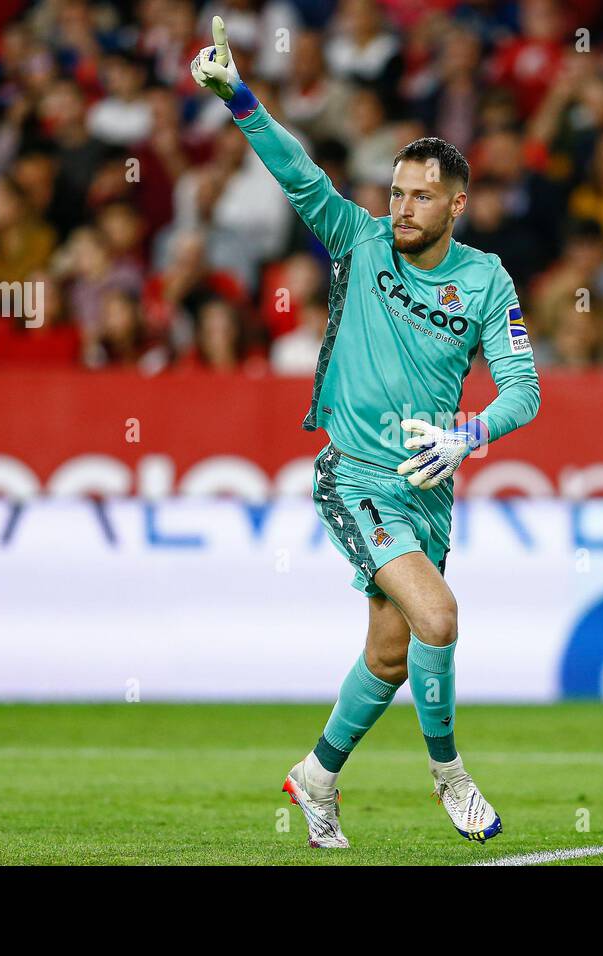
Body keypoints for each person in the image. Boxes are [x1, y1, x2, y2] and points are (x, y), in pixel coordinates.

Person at [191, 16, 540, 848]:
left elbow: (524, 390)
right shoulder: (360, 242)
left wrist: (469, 433)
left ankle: (315, 777)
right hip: (353, 473)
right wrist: (239, 97)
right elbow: (298, 173)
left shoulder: (486, 279)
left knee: (389, 654)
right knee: (440, 618)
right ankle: (449, 775)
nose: (404, 207)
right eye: (396, 191)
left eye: (422, 195)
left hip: (428, 485)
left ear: (457, 203)